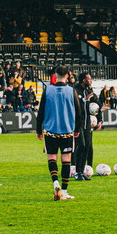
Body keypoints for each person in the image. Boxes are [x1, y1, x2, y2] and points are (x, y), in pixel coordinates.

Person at [35, 66, 83, 200]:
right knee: (66, 160)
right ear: (67, 75)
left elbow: (41, 111)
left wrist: (39, 129)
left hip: (50, 131)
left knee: (52, 158)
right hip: (67, 131)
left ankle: (55, 182)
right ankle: (65, 191)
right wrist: (77, 129)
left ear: (55, 76)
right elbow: (78, 112)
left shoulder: (48, 90)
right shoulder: (71, 91)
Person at [73, 72, 101, 180]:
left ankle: (82, 171)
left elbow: (98, 105)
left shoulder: (89, 91)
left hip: (87, 124)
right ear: (83, 80)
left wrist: (100, 120)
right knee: (82, 146)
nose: (91, 80)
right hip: (77, 124)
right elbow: (74, 106)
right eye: (89, 79)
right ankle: (77, 172)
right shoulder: (75, 91)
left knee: (87, 147)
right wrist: (85, 100)